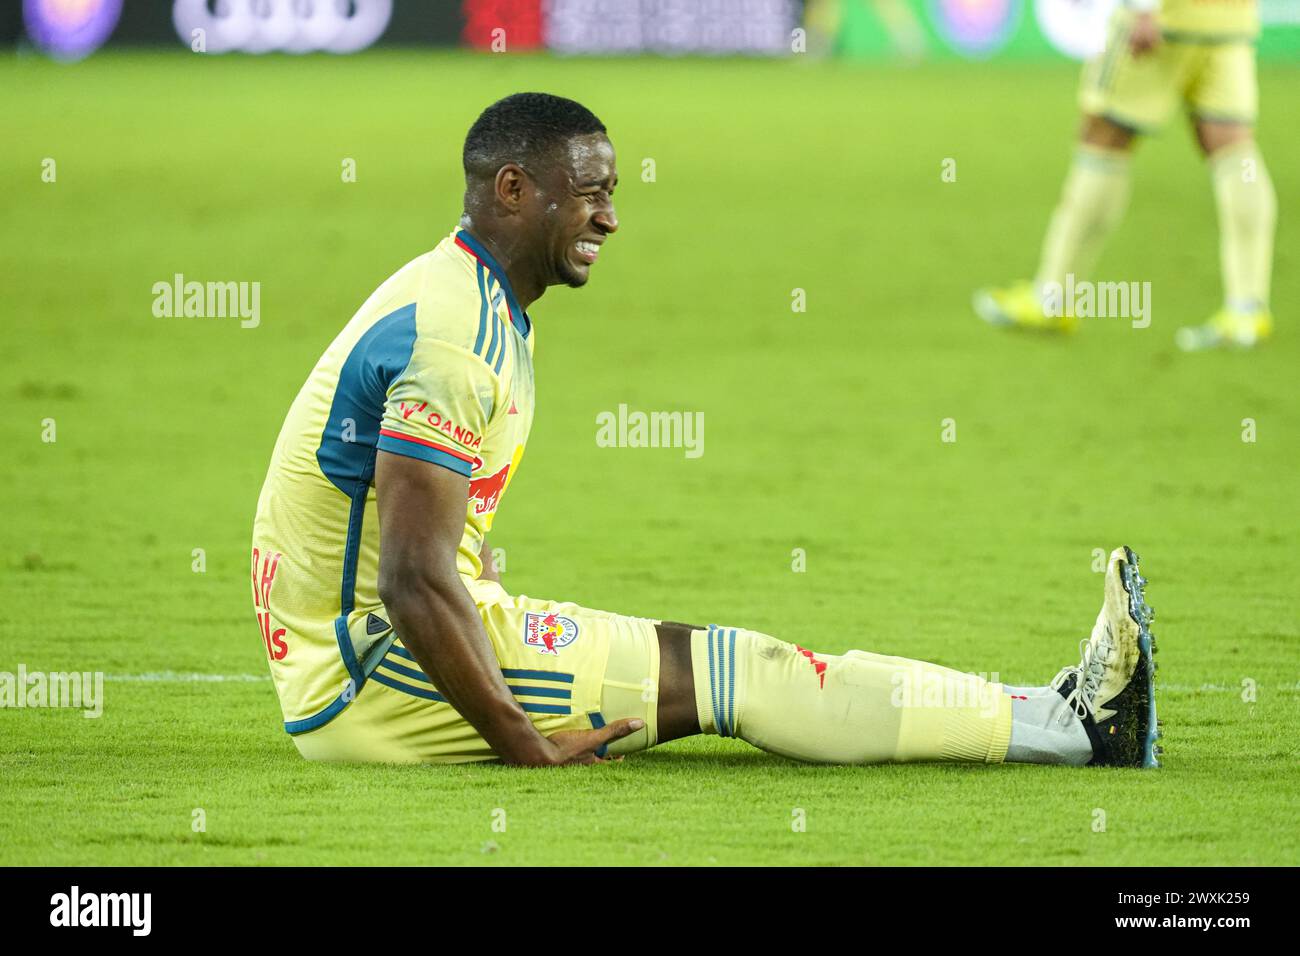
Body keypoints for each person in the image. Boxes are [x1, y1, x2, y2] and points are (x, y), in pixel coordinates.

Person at [252, 92, 1159, 769]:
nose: (610, 216)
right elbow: (411, 578)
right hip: (370, 676)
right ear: (514, 188)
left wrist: (469, 564)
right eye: (589, 194)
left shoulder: (457, 294)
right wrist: (524, 746)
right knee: (746, 674)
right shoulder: (457, 338)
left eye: (612, 192)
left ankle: (1053, 712)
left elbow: (406, 531)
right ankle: (1075, 730)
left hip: (358, 651)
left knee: (732, 663)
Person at [974, 0, 1275, 350]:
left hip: (1167, 17)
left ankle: (1055, 298)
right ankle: (1247, 308)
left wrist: (1143, 8)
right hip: (1231, 19)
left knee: (1103, 137)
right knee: (1233, 147)